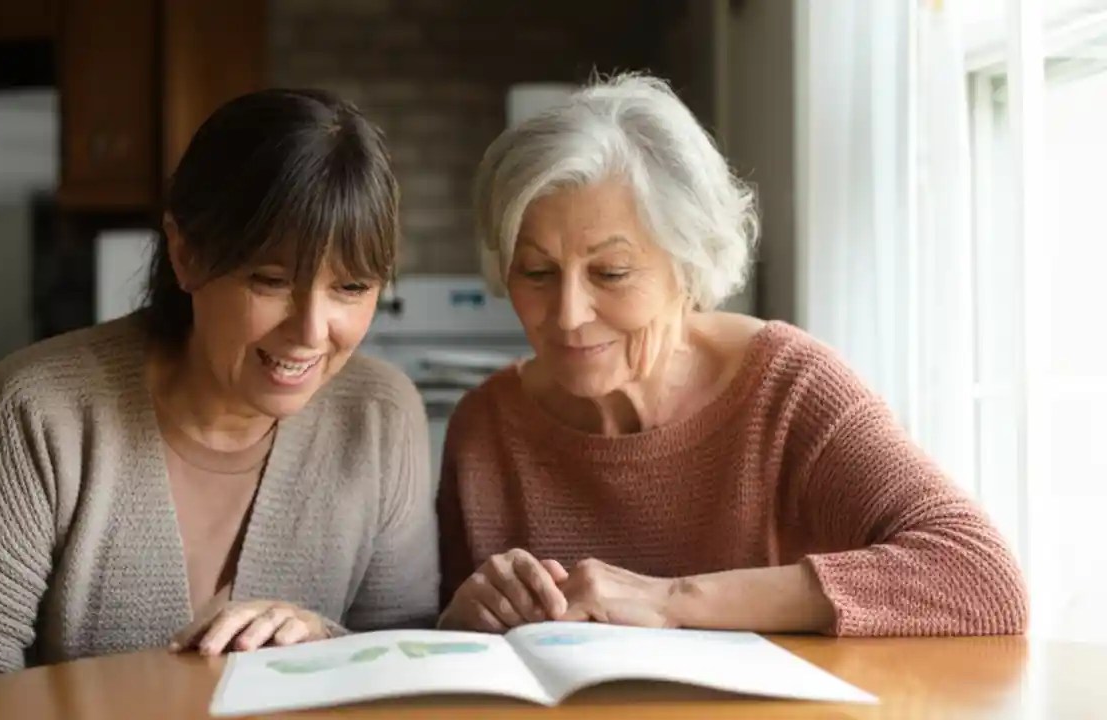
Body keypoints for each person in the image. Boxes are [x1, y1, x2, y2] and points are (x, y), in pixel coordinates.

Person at [0, 88, 437, 716]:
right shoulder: (37, 413)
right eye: (272, 281)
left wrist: (321, 645)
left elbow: (405, 661)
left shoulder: (382, 416)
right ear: (186, 254)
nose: (312, 330)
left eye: (351, 287)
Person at [436, 73, 1027, 637]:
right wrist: (461, 622)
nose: (568, 314)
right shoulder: (485, 429)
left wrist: (671, 601)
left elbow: (979, 576)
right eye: (536, 272)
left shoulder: (790, 391)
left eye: (611, 273)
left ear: (688, 267)